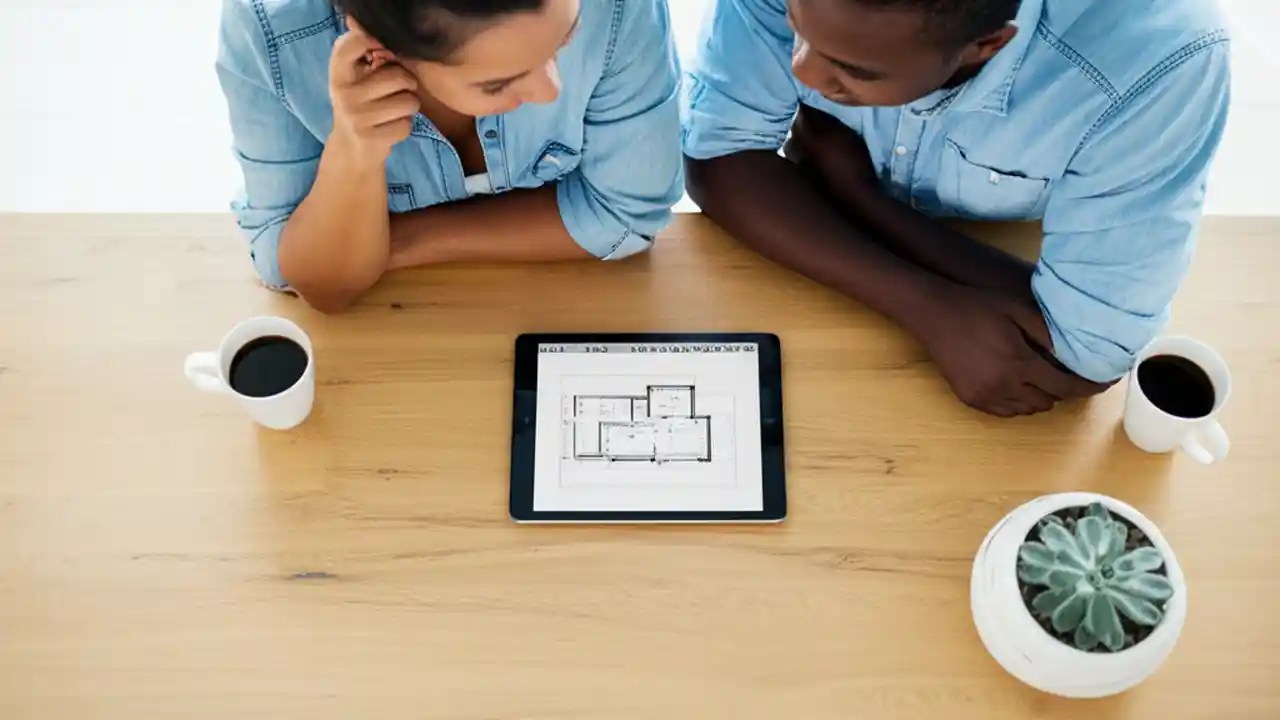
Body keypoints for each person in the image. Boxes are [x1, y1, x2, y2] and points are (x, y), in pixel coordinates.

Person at [683, 0, 1230, 418]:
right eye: (795, 23)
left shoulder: (1161, 63)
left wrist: (858, 199)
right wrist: (923, 303)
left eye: (853, 71)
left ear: (985, 45)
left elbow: (1084, 353)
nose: (801, 70)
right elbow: (718, 159)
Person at [217, 0, 682, 313]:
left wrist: (390, 246)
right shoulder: (272, 29)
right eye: (497, 83)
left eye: (566, 38)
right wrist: (354, 153)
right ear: (374, 46)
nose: (550, 90)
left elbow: (626, 215)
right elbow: (308, 277)